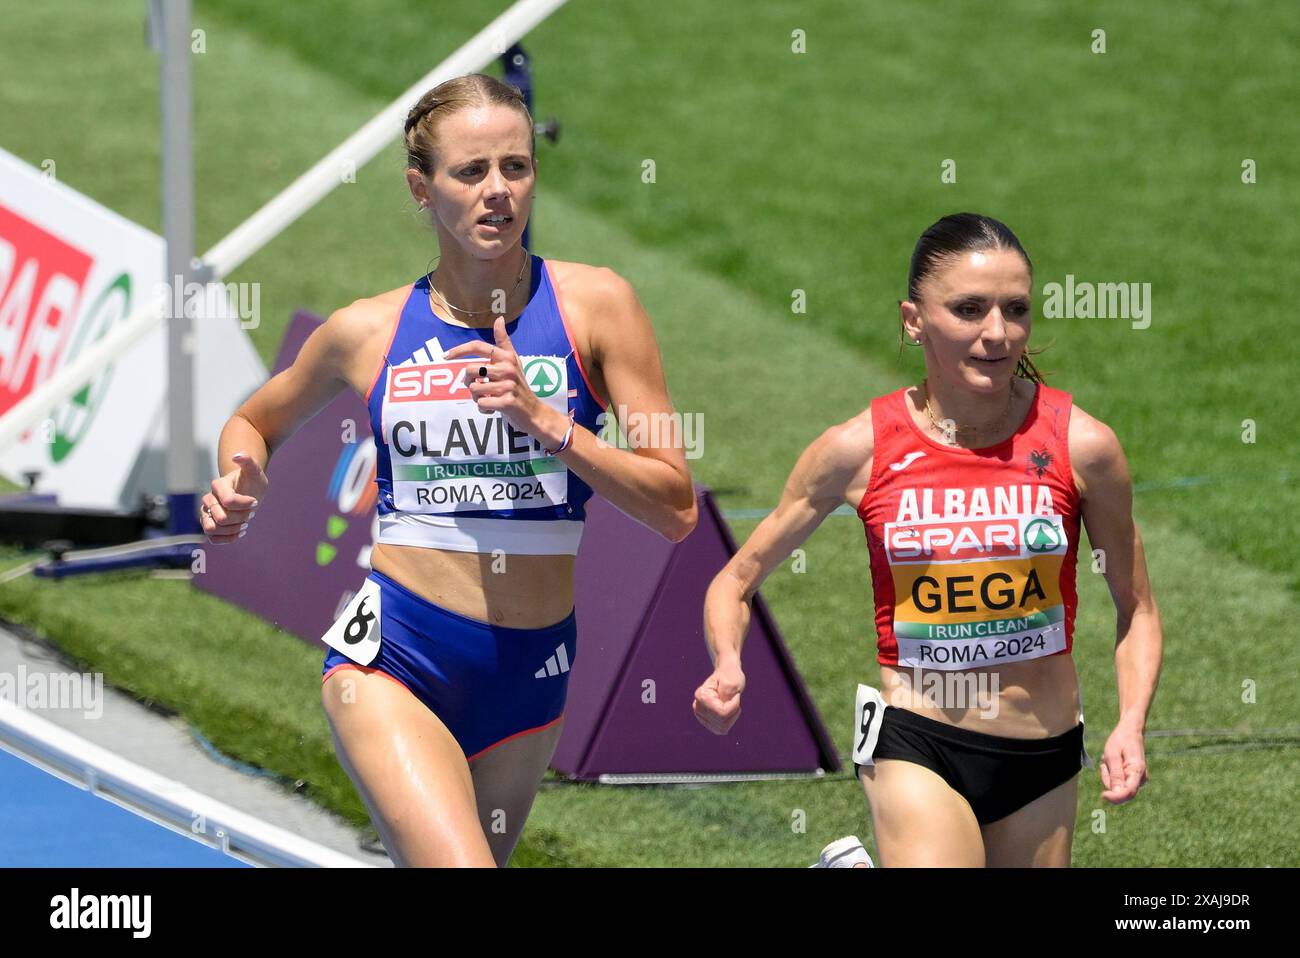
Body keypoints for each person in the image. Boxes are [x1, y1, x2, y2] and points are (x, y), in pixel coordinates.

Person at [201, 73, 697, 867]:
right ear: (420, 189)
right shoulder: (364, 331)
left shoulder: (598, 308)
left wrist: (550, 426)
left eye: (517, 167)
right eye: (471, 172)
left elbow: (675, 507)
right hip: (396, 657)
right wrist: (238, 474)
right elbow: (254, 420)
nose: (498, 191)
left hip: (530, 678)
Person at [693, 212, 1163, 867]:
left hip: (1043, 754)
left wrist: (1132, 724)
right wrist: (727, 665)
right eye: (969, 310)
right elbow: (735, 581)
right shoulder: (859, 449)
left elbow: (1136, 607)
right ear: (914, 320)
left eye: (1015, 309)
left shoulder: (1083, 446)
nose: (996, 333)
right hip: (919, 739)